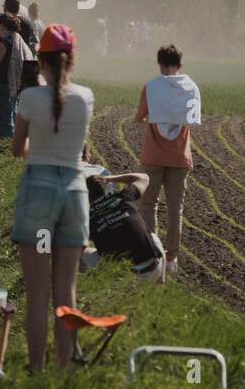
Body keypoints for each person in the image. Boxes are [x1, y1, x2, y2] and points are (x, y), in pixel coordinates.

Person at [10, 23, 93, 371]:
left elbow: (18, 149)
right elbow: (82, 152)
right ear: (71, 59)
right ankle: (65, 365)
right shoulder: (86, 97)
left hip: (39, 194)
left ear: (41, 60)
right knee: (65, 292)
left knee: (37, 293)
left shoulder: (29, 98)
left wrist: (37, 147)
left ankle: (36, 369)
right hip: (74, 194)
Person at [134, 44, 201, 276]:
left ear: (160, 63)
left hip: (153, 155)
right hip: (180, 157)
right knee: (175, 209)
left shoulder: (151, 87)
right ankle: (172, 258)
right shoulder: (191, 88)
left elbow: (139, 116)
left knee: (148, 205)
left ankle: (154, 254)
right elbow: (193, 118)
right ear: (180, 65)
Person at [85, 171, 166, 280]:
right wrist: (109, 179)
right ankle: (161, 282)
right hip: (154, 269)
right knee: (153, 237)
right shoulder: (123, 197)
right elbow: (144, 177)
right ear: (104, 190)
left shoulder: (88, 217)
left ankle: (93, 283)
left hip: (124, 275)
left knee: (80, 250)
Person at [0, 12, 33, 138]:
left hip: (4, 82)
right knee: (11, 112)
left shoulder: (4, 43)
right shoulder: (17, 39)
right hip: (15, 83)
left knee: (4, 115)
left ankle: (7, 142)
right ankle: (12, 139)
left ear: (2, 26)